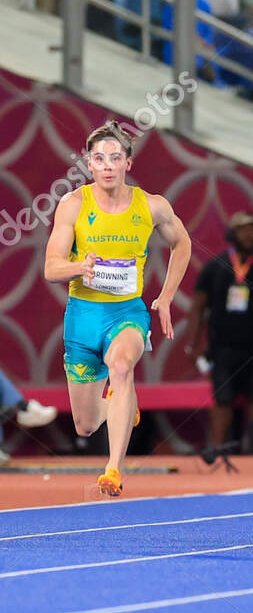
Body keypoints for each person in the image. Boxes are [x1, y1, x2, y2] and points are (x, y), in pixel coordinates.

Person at [44, 123, 192, 497]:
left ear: (128, 162)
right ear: (88, 164)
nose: (107, 165)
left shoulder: (153, 205)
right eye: (99, 159)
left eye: (115, 158)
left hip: (127, 313)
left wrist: (166, 297)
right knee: (86, 425)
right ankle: (122, 411)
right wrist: (81, 267)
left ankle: (113, 470)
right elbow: (50, 268)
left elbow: (183, 244)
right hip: (83, 316)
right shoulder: (74, 204)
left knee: (121, 366)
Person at [187, 211, 253, 454]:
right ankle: (218, 453)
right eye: (244, 229)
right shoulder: (214, 266)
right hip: (223, 347)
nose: (250, 235)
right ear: (233, 233)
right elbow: (198, 306)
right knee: (222, 400)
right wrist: (192, 343)